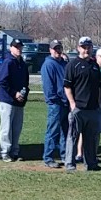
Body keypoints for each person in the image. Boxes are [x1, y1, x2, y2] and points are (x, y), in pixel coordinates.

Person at [63, 37, 101, 171]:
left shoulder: (94, 65)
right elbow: (67, 86)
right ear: (78, 48)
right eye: (84, 47)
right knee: (73, 137)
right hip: (78, 108)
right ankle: (70, 164)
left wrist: (98, 103)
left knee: (90, 138)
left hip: (92, 108)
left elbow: (98, 86)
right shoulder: (72, 65)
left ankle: (91, 164)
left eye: (89, 47)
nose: (86, 50)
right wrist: (72, 104)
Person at [0, 36, 29, 163]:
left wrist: (23, 94)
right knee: (6, 127)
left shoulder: (22, 63)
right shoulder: (8, 62)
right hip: (7, 99)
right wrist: (14, 93)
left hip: (19, 100)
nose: (18, 49)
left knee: (17, 127)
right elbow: (2, 81)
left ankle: (14, 152)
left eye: (20, 47)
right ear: (11, 48)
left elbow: (25, 82)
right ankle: (4, 152)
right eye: (16, 47)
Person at [40, 39, 68, 169]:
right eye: (55, 48)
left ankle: (65, 155)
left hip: (65, 102)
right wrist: (53, 99)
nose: (57, 51)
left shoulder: (63, 63)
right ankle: (48, 157)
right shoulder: (48, 64)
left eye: (59, 48)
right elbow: (48, 86)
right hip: (55, 103)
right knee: (53, 131)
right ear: (50, 50)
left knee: (65, 131)